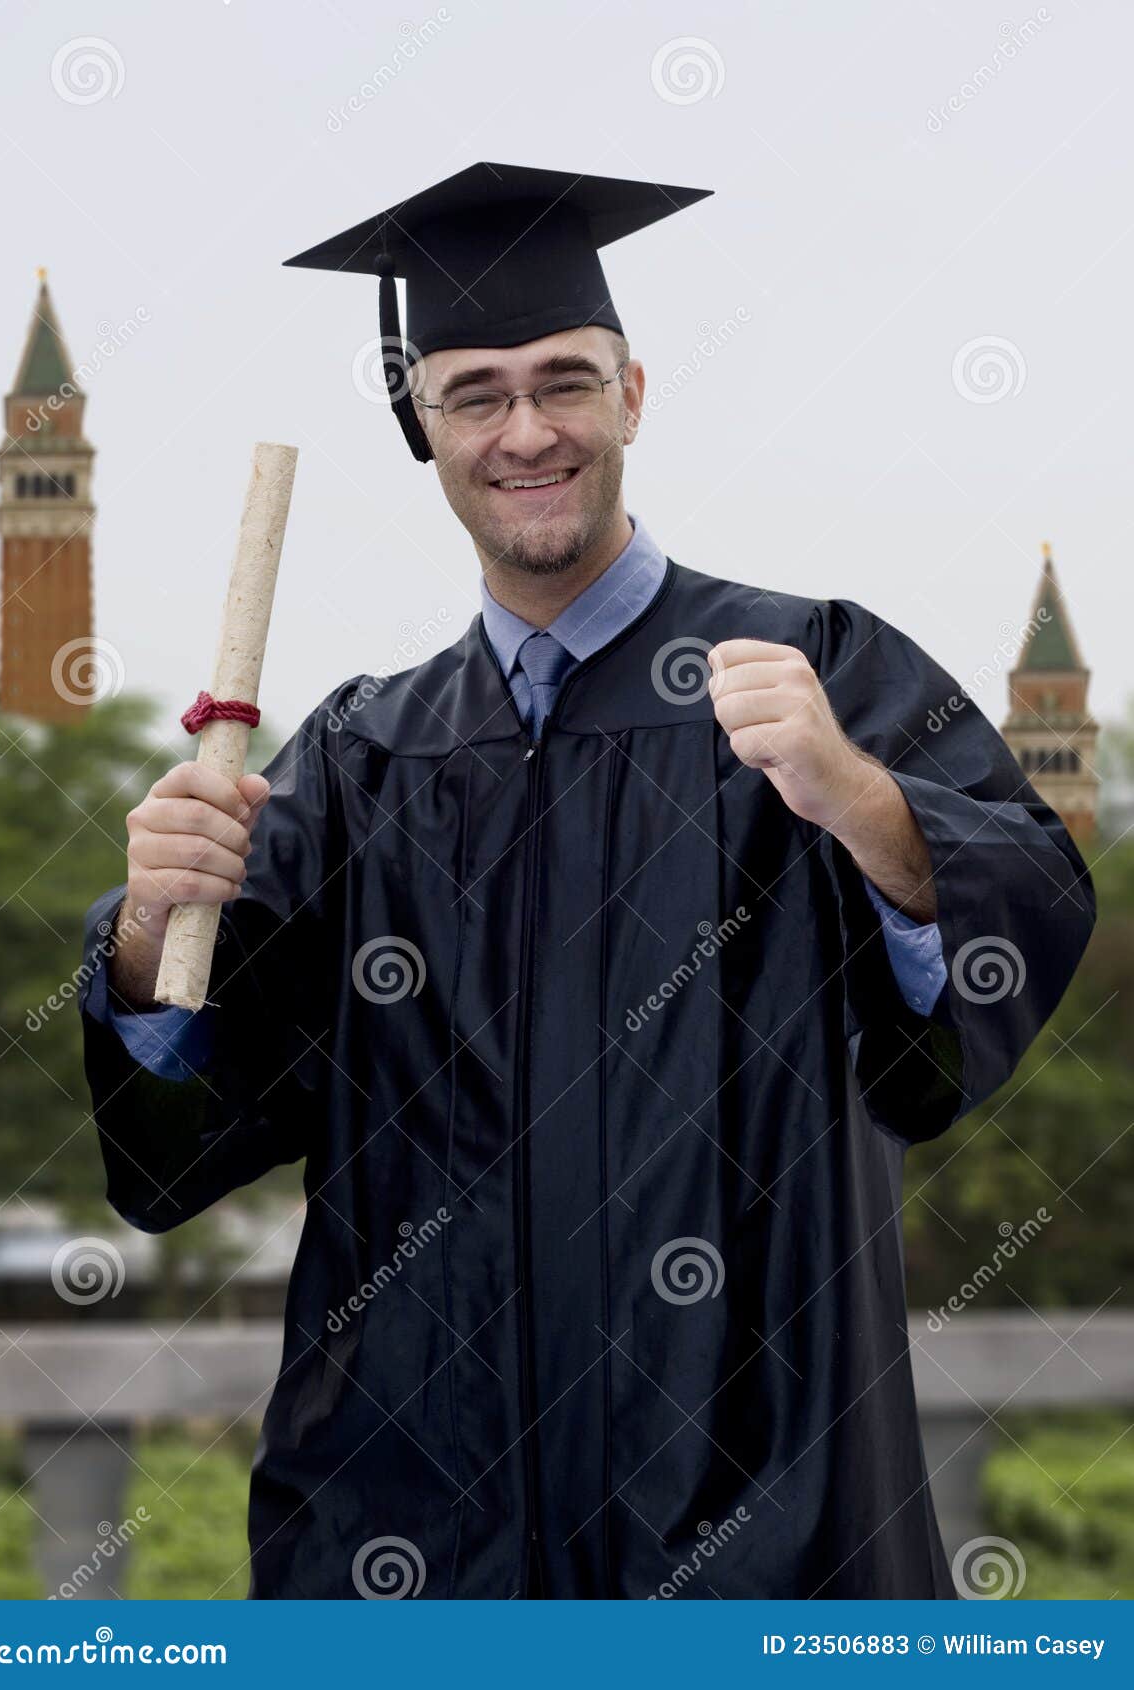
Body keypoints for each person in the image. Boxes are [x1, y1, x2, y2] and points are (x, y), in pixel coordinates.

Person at [80, 162, 1095, 1600]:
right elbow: (195, 1126)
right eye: (475, 395)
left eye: (565, 381)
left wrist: (862, 800)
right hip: (416, 1528)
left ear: (633, 396)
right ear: (422, 427)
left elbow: (1011, 929)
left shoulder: (817, 671)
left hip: (757, 1522)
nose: (527, 430)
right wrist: (143, 932)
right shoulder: (363, 760)